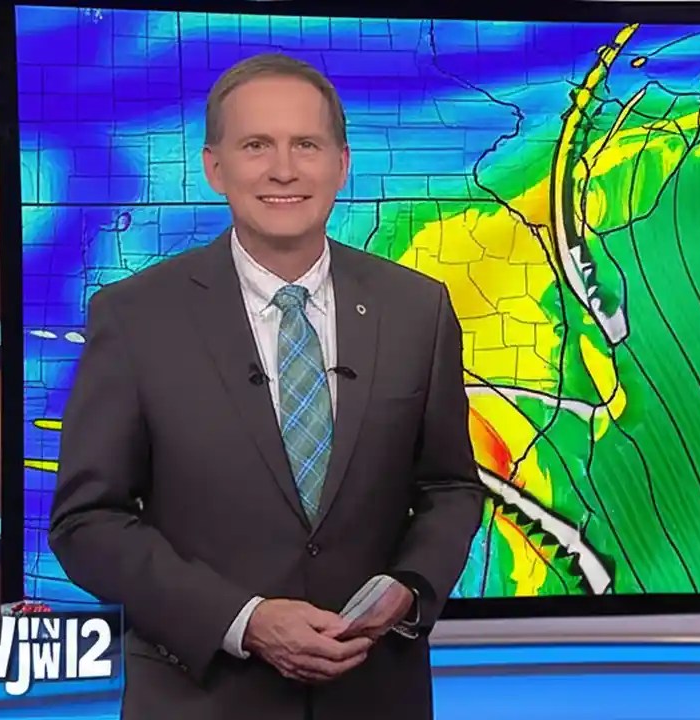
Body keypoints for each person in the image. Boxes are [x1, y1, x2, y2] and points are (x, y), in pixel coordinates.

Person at [48, 52, 485, 719]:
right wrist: (243, 620)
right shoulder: (136, 317)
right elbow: (88, 522)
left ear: (341, 165)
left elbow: (449, 489)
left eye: (305, 145)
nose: (284, 169)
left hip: (374, 695)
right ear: (214, 168)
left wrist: (409, 587)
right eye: (257, 146)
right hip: (199, 699)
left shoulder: (416, 310)